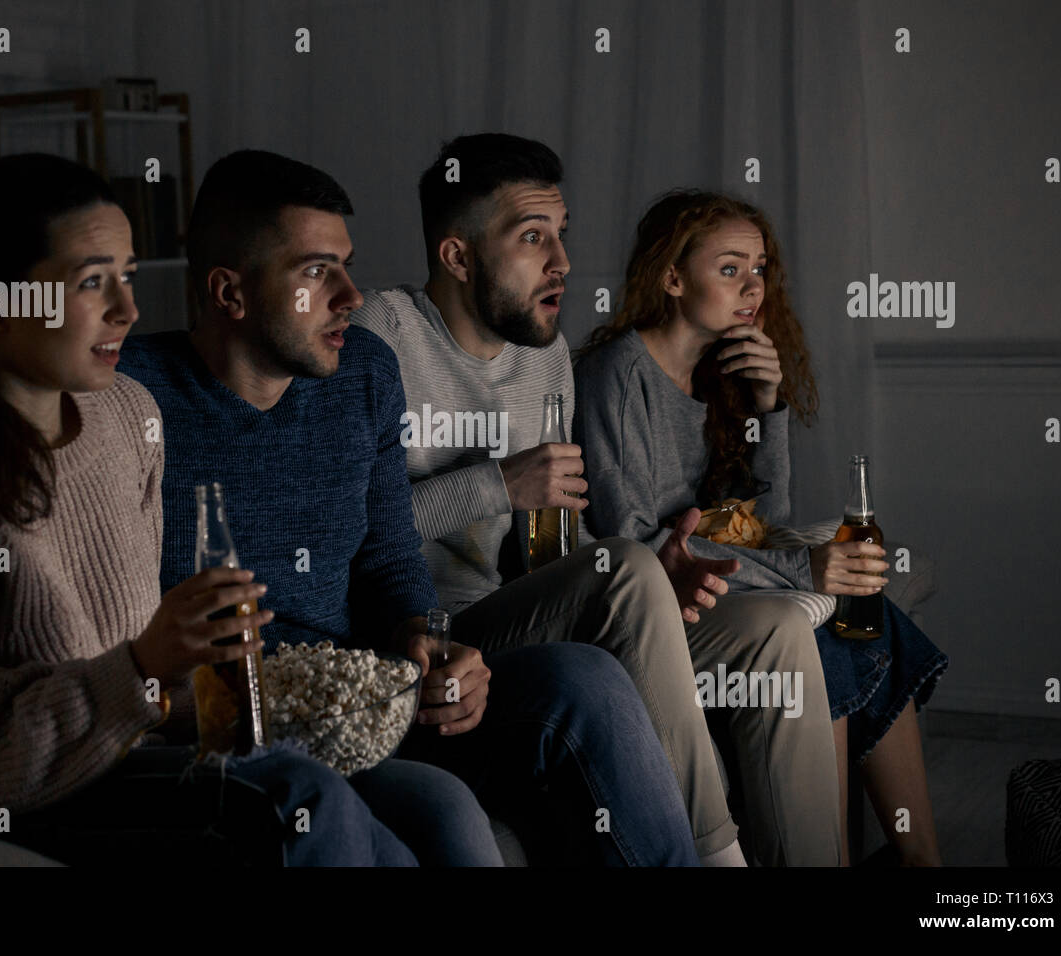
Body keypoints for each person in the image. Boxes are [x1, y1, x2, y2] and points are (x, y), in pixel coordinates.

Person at [0, 149, 701, 866]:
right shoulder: (112, 400)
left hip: (264, 709)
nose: (127, 303)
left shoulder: (129, 412)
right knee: (317, 797)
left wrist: (419, 641)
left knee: (541, 711)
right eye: (94, 281)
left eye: (127, 274)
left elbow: (388, 567)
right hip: (147, 742)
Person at [348, 133, 841, 866]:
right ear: (457, 257)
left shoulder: (545, 356)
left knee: (774, 631)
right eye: (533, 237)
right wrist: (499, 484)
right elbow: (355, 530)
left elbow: (558, 540)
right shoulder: (379, 336)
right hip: (439, 631)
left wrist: (659, 570)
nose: (563, 262)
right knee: (625, 565)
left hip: (527, 606)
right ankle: (716, 855)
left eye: (563, 235)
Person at [573, 188, 949, 865]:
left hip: (719, 578)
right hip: (653, 602)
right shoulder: (616, 375)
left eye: (761, 268)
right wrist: (800, 570)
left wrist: (767, 405)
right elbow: (637, 542)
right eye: (730, 269)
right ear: (671, 277)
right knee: (836, 626)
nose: (753, 287)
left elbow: (757, 523)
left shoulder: (719, 372)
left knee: (867, 609)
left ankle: (926, 866)